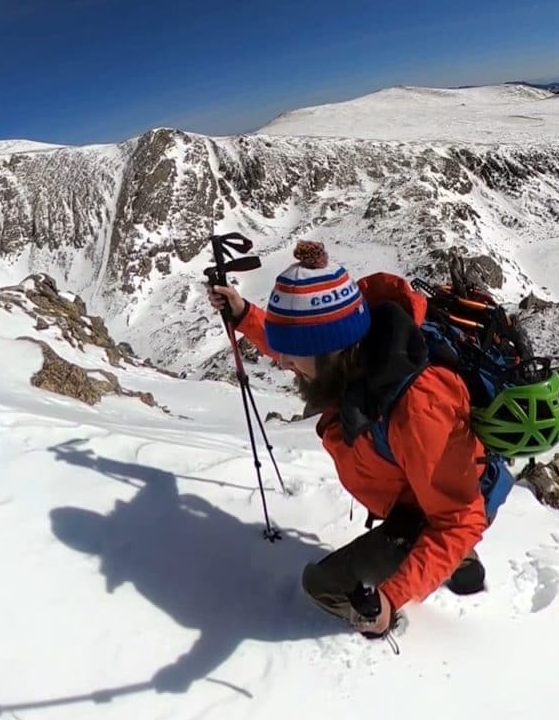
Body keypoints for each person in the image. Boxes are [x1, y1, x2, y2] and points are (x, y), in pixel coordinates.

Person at [207, 239, 495, 639]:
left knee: (325, 587)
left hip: (438, 507)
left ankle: (412, 591)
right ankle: (450, 559)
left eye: (293, 356)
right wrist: (243, 314)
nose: (284, 363)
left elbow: (459, 517)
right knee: (437, 518)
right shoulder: (351, 357)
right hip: (420, 495)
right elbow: (294, 343)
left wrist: (391, 599)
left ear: (331, 350)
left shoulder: (418, 407)